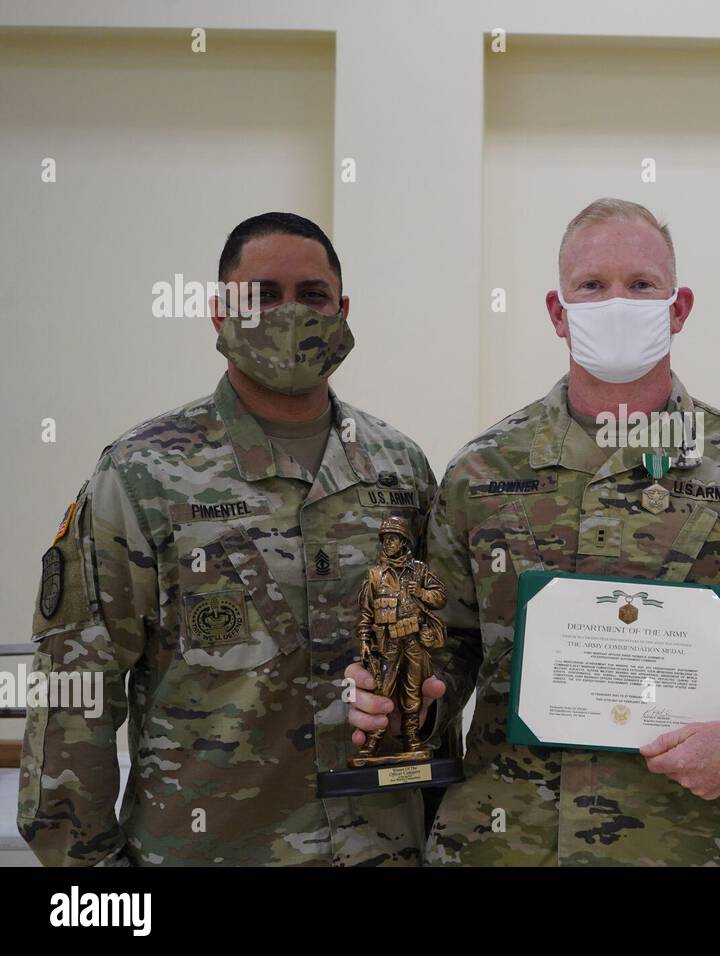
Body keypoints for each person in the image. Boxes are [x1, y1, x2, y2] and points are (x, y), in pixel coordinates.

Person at [346, 198, 720, 865]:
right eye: (592, 286)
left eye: (641, 285)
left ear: (679, 307)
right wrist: (410, 698)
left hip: (688, 844)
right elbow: (453, 646)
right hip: (501, 843)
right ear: (558, 312)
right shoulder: (483, 472)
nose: (617, 303)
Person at [18, 212, 442, 865]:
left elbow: (435, 664)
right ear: (219, 313)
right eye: (262, 295)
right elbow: (76, 693)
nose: (289, 312)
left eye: (312, 295)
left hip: (378, 849)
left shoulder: (400, 468)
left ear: (342, 311)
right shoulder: (142, 475)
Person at [356, 514, 447, 758]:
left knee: (412, 691)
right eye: (385, 539)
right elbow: (366, 613)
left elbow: (440, 597)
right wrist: (365, 641)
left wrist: (420, 592)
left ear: (404, 542)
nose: (388, 543)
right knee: (382, 691)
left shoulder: (419, 571)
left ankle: (411, 738)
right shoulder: (375, 575)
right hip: (387, 643)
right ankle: (372, 744)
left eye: (394, 538)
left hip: (414, 639)